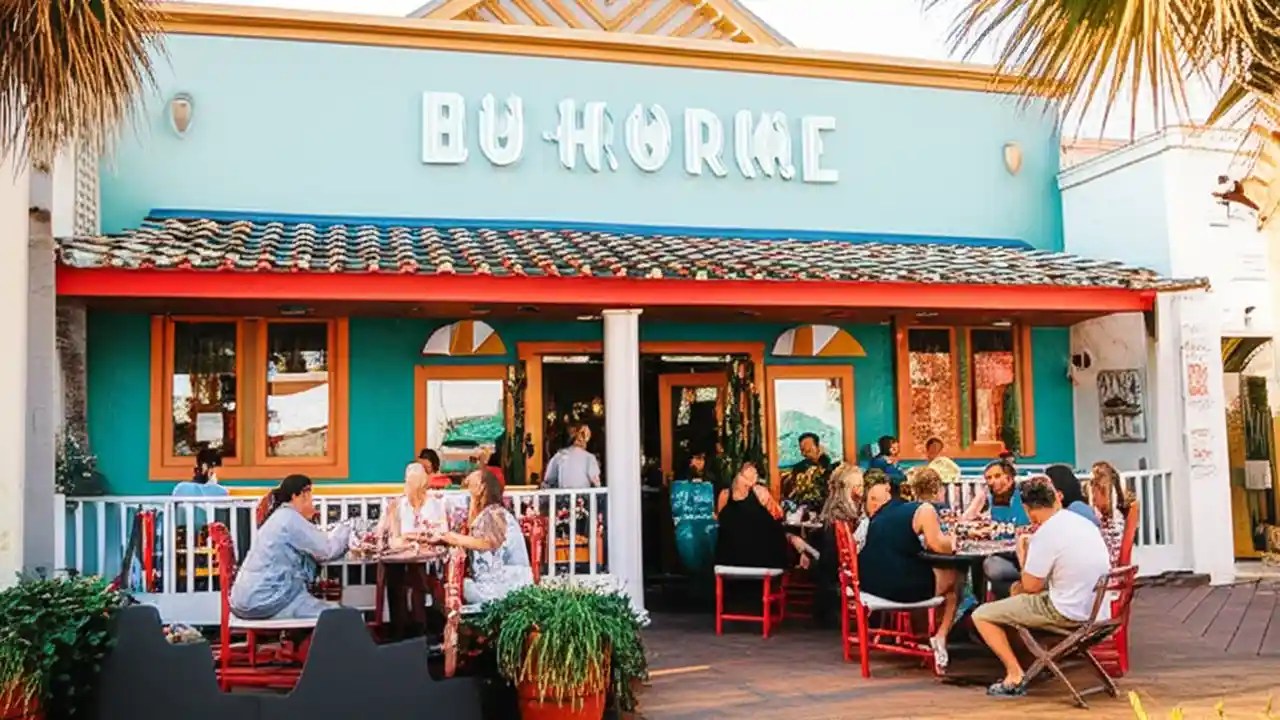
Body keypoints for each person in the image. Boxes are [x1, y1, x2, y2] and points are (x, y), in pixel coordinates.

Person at [970, 477, 1111, 697]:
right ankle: (1034, 660)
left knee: (982, 614)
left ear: (1027, 509)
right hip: (1098, 609)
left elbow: (1031, 587)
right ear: (1055, 498)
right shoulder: (1081, 522)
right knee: (1012, 597)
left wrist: (1023, 552)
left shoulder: (1046, 534)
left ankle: (1014, 674)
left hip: (1067, 611)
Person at [856, 482, 962, 673]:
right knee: (954, 582)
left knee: (937, 579)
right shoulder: (924, 510)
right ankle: (940, 637)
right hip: (900, 589)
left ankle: (926, 635)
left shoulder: (878, 517)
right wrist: (954, 540)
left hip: (870, 586)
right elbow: (937, 545)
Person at [229, 474, 351, 620]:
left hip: (248, 599)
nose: (313, 502)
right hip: (267, 601)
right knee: (340, 615)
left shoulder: (280, 516)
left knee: (329, 609)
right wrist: (347, 528)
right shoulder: (290, 518)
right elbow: (328, 550)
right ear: (301, 495)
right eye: (311, 496)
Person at [430, 468, 534, 605]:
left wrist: (451, 537)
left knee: (457, 586)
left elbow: (488, 543)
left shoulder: (495, 514)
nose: (466, 489)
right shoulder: (488, 513)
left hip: (506, 588)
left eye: (469, 485)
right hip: (495, 582)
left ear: (481, 488)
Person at [377, 463, 444, 639]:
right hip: (401, 557)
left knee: (416, 572)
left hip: (427, 560)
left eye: (415, 483)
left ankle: (418, 627)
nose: (410, 488)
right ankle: (400, 629)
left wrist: (410, 537)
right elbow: (388, 535)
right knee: (395, 572)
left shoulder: (435, 504)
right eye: (408, 483)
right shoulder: (399, 504)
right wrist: (392, 519)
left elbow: (440, 532)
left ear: (423, 484)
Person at [965, 459, 1029, 599]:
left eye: (997, 476)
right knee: (977, 560)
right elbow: (965, 520)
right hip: (1002, 553)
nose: (993, 481)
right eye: (988, 478)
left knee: (991, 567)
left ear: (1010, 478)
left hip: (1026, 556)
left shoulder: (1025, 495)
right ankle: (977, 603)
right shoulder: (990, 497)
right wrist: (979, 499)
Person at [1090, 461, 1129, 564]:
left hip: (1107, 573)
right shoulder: (1118, 515)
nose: (1093, 497)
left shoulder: (1106, 521)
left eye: (1094, 491)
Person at [542, 423, 601, 489]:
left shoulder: (560, 455)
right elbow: (597, 483)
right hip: (583, 497)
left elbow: (548, 481)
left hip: (563, 497)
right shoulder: (589, 457)